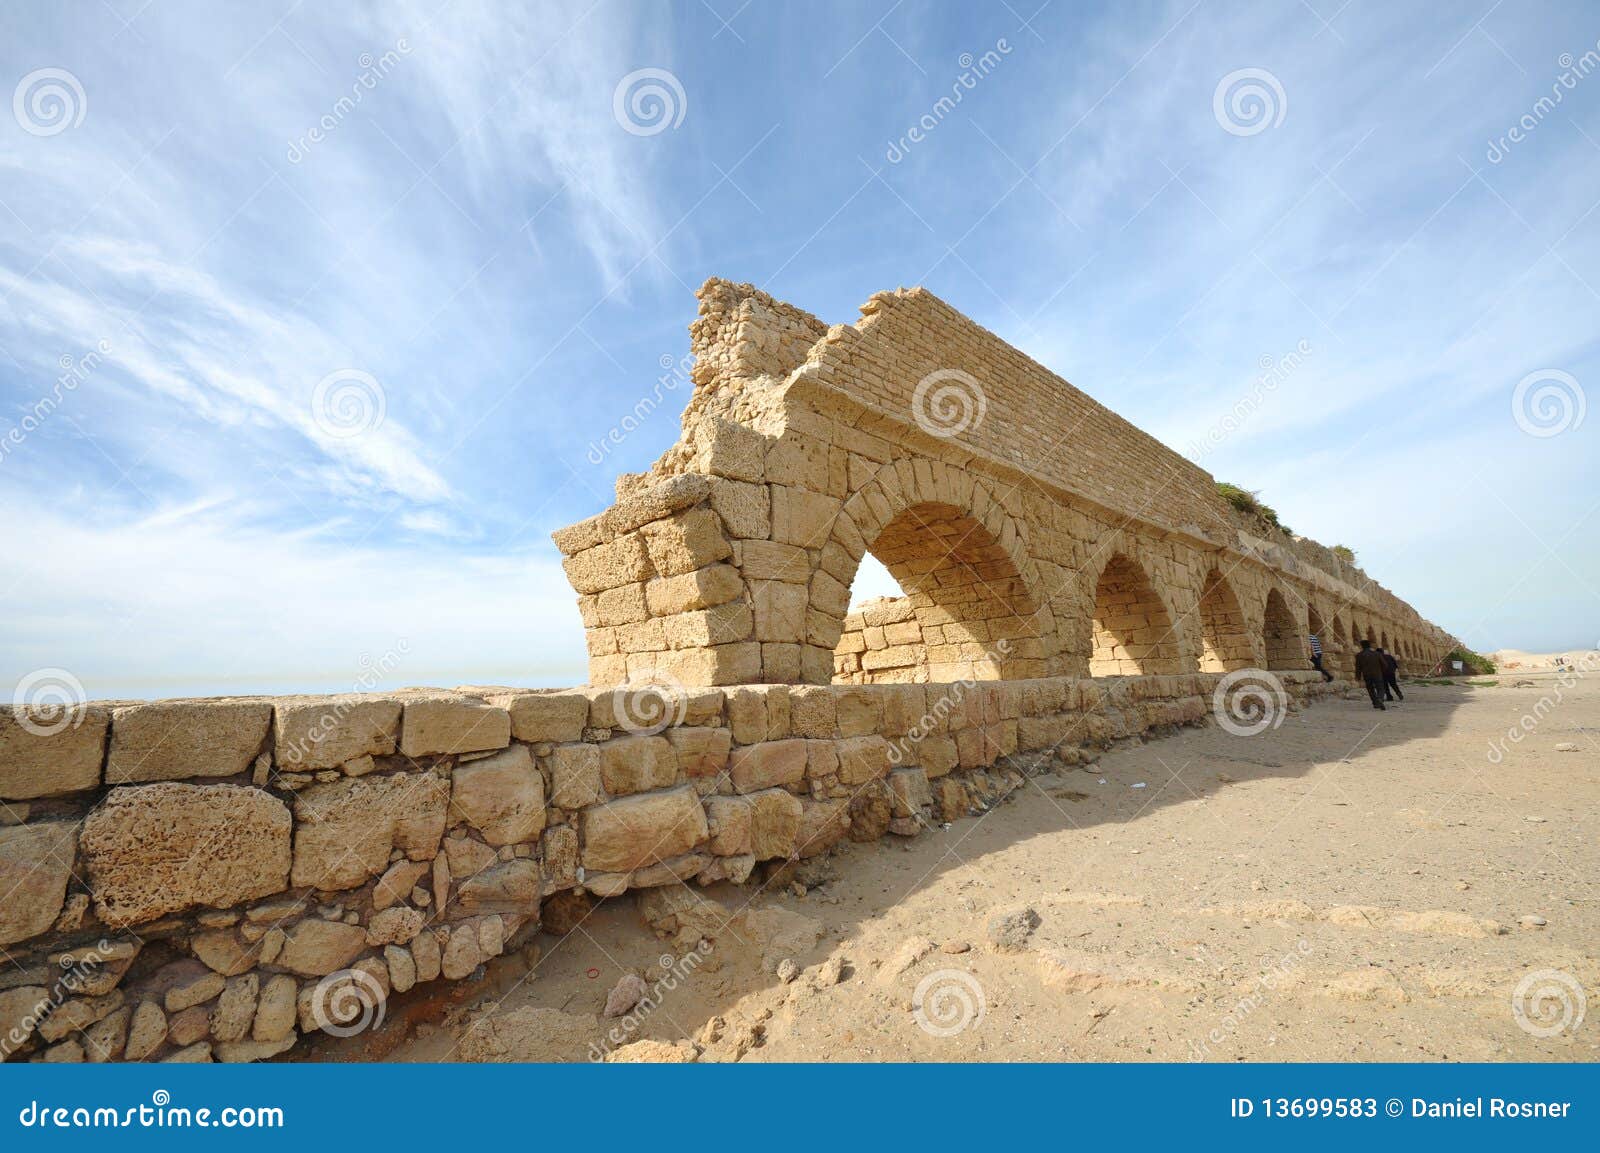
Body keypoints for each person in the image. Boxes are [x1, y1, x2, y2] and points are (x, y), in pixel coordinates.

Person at [1354, 639, 1387, 710]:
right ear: (1370, 645)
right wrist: (1383, 672)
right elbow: (1384, 664)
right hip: (1377, 674)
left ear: (1361, 646)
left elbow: (1358, 667)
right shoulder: (1377, 654)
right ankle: (1380, 699)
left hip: (1367, 675)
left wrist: (1358, 676)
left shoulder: (1359, 655)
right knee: (1380, 688)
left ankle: (1375, 703)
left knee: (1370, 689)